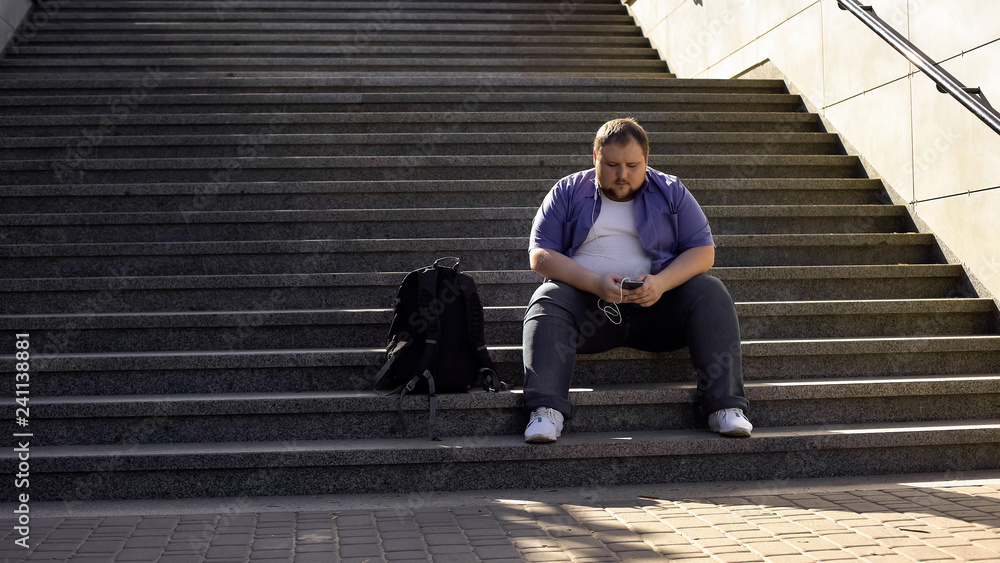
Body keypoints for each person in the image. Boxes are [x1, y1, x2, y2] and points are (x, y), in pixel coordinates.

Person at [522, 117, 752, 443]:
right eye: (612, 164)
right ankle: (545, 410)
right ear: (595, 158)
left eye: (633, 165)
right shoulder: (568, 191)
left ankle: (725, 407)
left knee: (710, 291)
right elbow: (540, 255)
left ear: (647, 160)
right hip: (591, 311)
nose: (622, 175)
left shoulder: (671, 190)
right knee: (547, 298)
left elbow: (703, 252)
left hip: (658, 311)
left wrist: (661, 283)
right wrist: (594, 283)